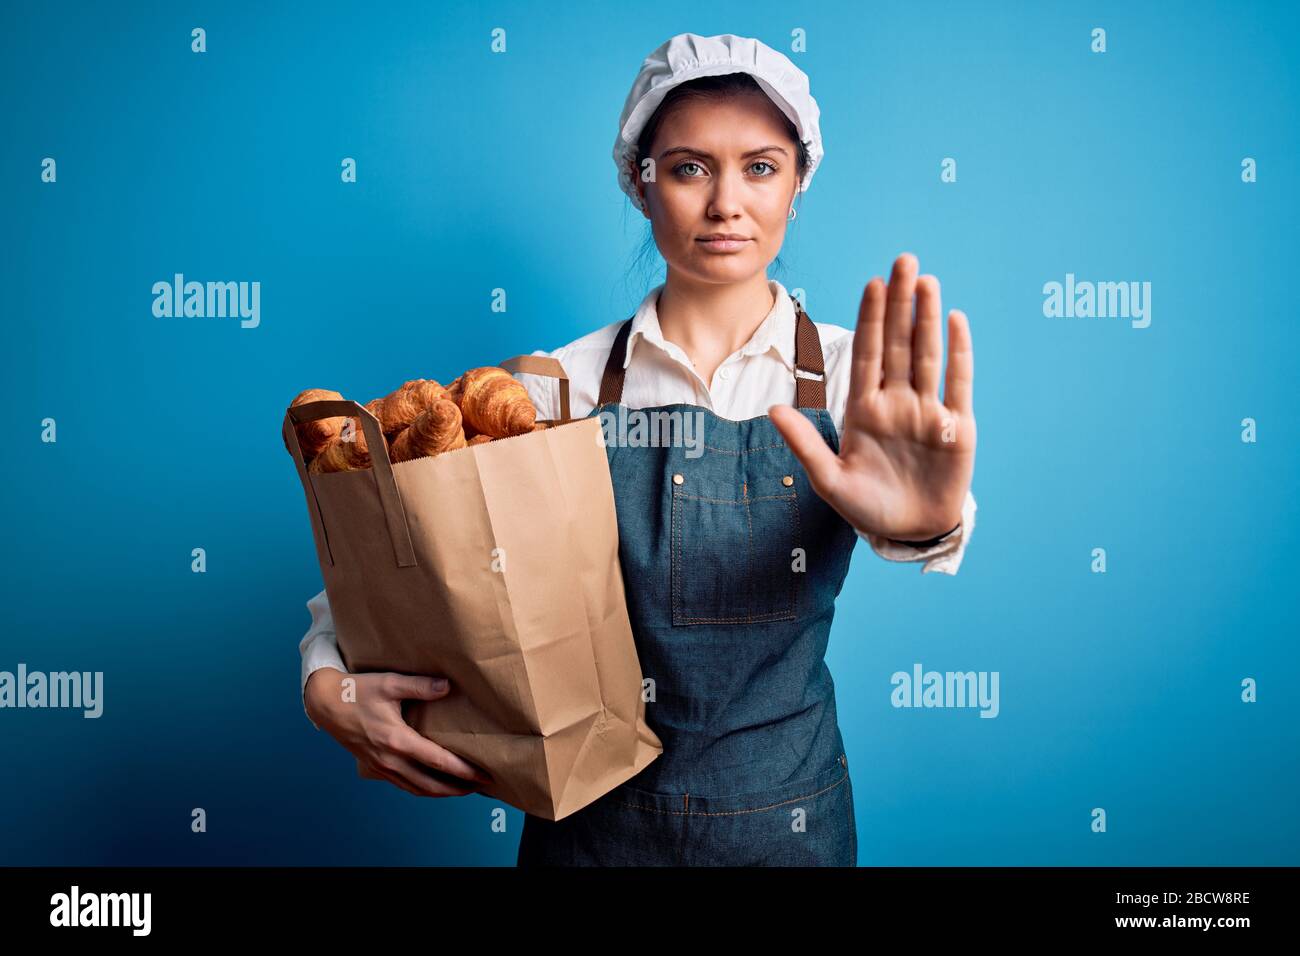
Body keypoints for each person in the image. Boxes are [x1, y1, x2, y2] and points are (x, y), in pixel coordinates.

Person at [299, 32, 978, 865]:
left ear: (799, 184)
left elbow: (928, 517)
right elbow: (402, 574)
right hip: (589, 831)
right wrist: (323, 685)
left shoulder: (849, 378)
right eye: (690, 167)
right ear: (640, 183)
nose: (727, 202)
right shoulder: (555, 388)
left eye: (761, 167)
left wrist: (926, 522)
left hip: (787, 827)